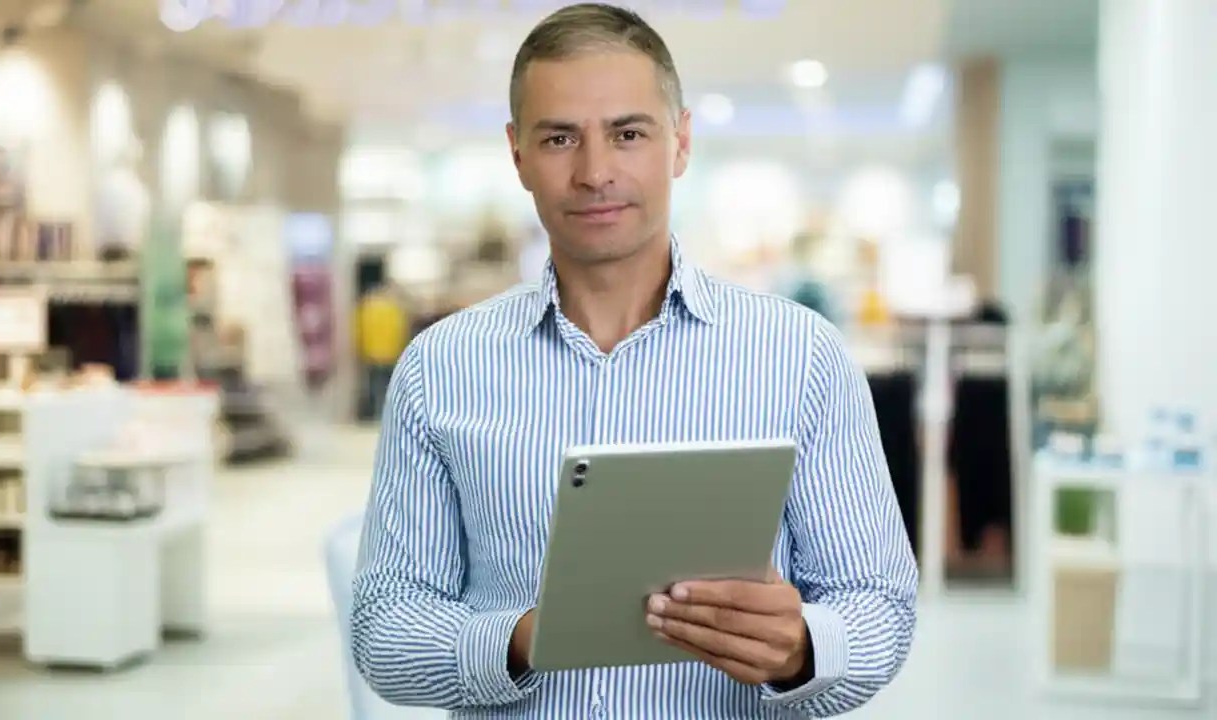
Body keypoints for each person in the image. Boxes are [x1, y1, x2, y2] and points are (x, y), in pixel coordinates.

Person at [351, 4, 917, 719]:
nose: (594, 172)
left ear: (679, 143)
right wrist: (522, 639)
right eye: (560, 138)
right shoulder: (440, 369)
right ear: (517, 154)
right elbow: (384, 626)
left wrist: (804, 645)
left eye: (627, 133)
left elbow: (882, 605)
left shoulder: (802, 358)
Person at [353, 284, 410, 420]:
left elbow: (360, 330)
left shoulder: (367, 307)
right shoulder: (393, 308)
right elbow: (400, 330)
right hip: (390, 353)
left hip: (372, 354)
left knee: (373, 385)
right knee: (389, 386)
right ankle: (386, 414)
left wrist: (361, 349)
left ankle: (375, 413)